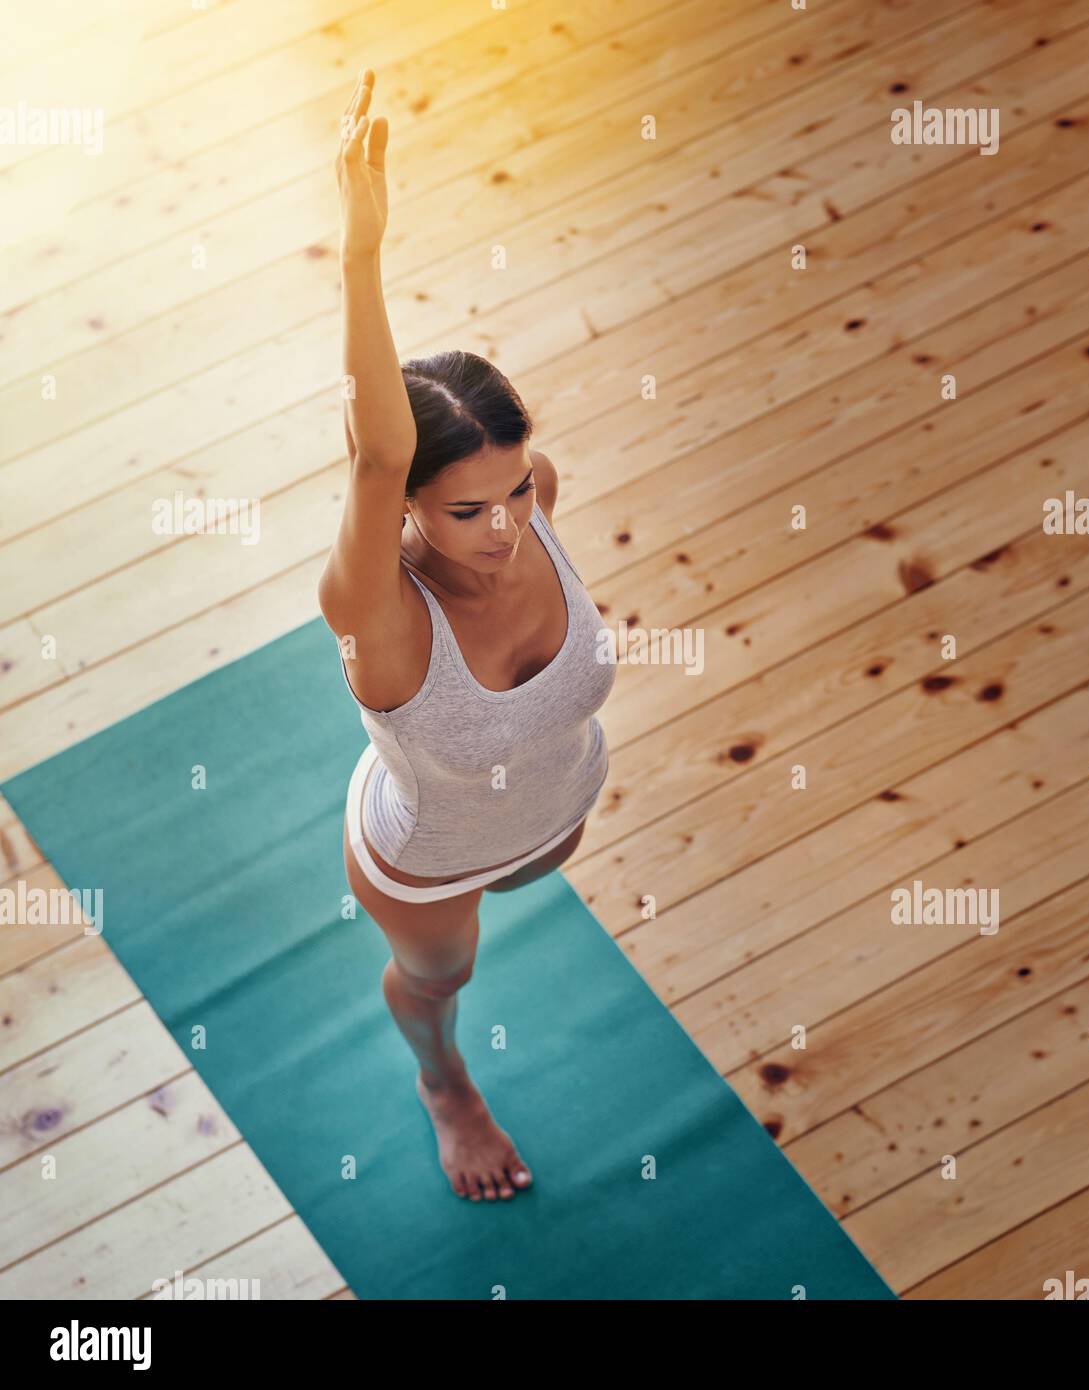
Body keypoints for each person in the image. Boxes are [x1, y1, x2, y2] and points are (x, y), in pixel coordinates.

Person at [318, 71, 617, 1203]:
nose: (503, 529)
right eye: (462, 510)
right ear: (401, 507)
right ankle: (444, 1086)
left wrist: (515, 500)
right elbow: (375, 454)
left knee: (542, 866)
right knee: (439, 975)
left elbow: (512, 492)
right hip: (430, 853)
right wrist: (360, 255)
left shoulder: (529, 491)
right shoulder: (383, 622)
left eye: (514, 497)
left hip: (554, 802)